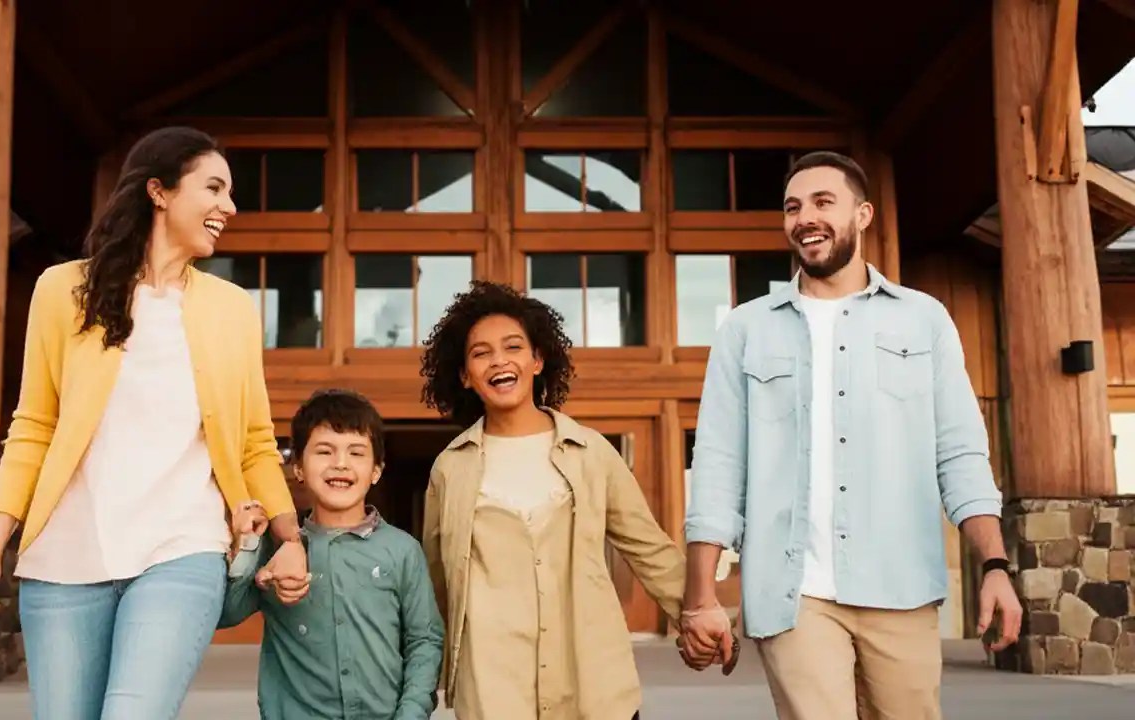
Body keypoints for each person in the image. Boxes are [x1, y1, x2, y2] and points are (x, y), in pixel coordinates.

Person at [0, 126, 310, 720]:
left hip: (182, 547)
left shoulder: (232, 311)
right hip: (63, 558)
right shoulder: (63, 289)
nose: (230, 207)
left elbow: (252, 440)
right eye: (214, 187)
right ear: (159, 191)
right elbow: (34, 425)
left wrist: (289, 539)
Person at [678, 151, 1023, 719]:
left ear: (862, 215)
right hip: (793, 596)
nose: (804, 217)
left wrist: (994, 567)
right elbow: (718, 464)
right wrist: (700, 598)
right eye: (792, 207)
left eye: (821, 202)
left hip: (901, 586)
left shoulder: (924, 319)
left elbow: (960, 453)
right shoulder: (745, 329)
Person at [420, 281, 685, 720]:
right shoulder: (450, 469)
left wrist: (698, 617)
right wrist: (425, 672)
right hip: (494, 692)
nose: (499, 360)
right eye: (480, 352)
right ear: (464, 375)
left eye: (513, 347)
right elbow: (436, 581)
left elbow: (647, 547)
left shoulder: (591, 451)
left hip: (594, 687)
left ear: (537, 359)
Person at [221, 388, 444, 720]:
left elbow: (424, 641)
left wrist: (411, 713)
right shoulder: (278, 549)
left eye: (356, 453)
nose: (340, 464)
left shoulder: (402, 550)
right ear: (297, 467)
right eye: (324, 451)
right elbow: (227, 614)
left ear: (376, 470)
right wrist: (247, 545)